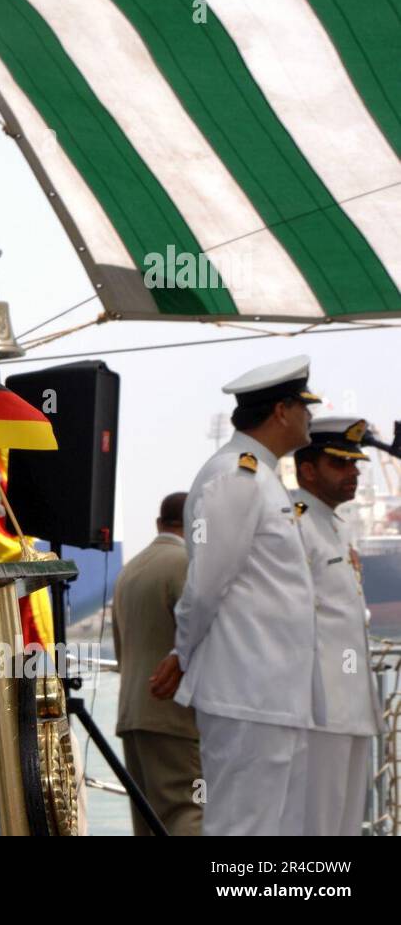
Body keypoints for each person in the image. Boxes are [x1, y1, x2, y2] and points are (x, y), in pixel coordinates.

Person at [150, 355, 320, 835]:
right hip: (249, 690)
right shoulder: (236, 476)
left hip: (272, 691)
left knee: (275, 828)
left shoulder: (261, 478)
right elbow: (206, 585)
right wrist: (182, 654)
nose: (311, 417)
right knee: (242, 827)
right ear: (282, 411)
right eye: (304, 407)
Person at [293, 417, 384, 835]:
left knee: (346, 824)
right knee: (317, 824)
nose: (354, 474)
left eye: (356, 465)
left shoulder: (335, 524)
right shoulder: (293, 524)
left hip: (351, 705)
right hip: (317, 708)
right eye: (340, 464)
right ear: (308, 469)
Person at [111, 492, 201, 835]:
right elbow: (196, 637)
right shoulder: (185, 564)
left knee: (148, 823)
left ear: (159, 524)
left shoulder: (130, 570)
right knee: (187, 811)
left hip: (133, 716)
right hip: (173, 716)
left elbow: (122, 651)